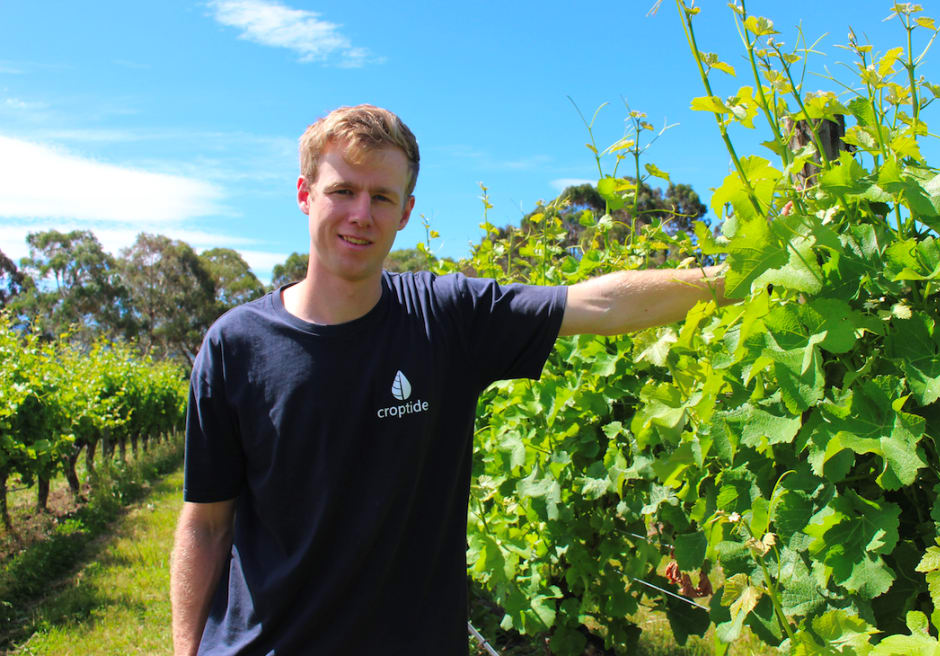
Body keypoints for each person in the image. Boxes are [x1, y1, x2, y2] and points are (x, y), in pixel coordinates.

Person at [170, 104, 729, 655]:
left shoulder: (445, 317)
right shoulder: (234, 346)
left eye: (382, 197)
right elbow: (206, 526)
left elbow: (600, 305)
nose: (361, 213)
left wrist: (736, 278)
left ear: (406, 211)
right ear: (304, 194)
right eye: (343, 191)